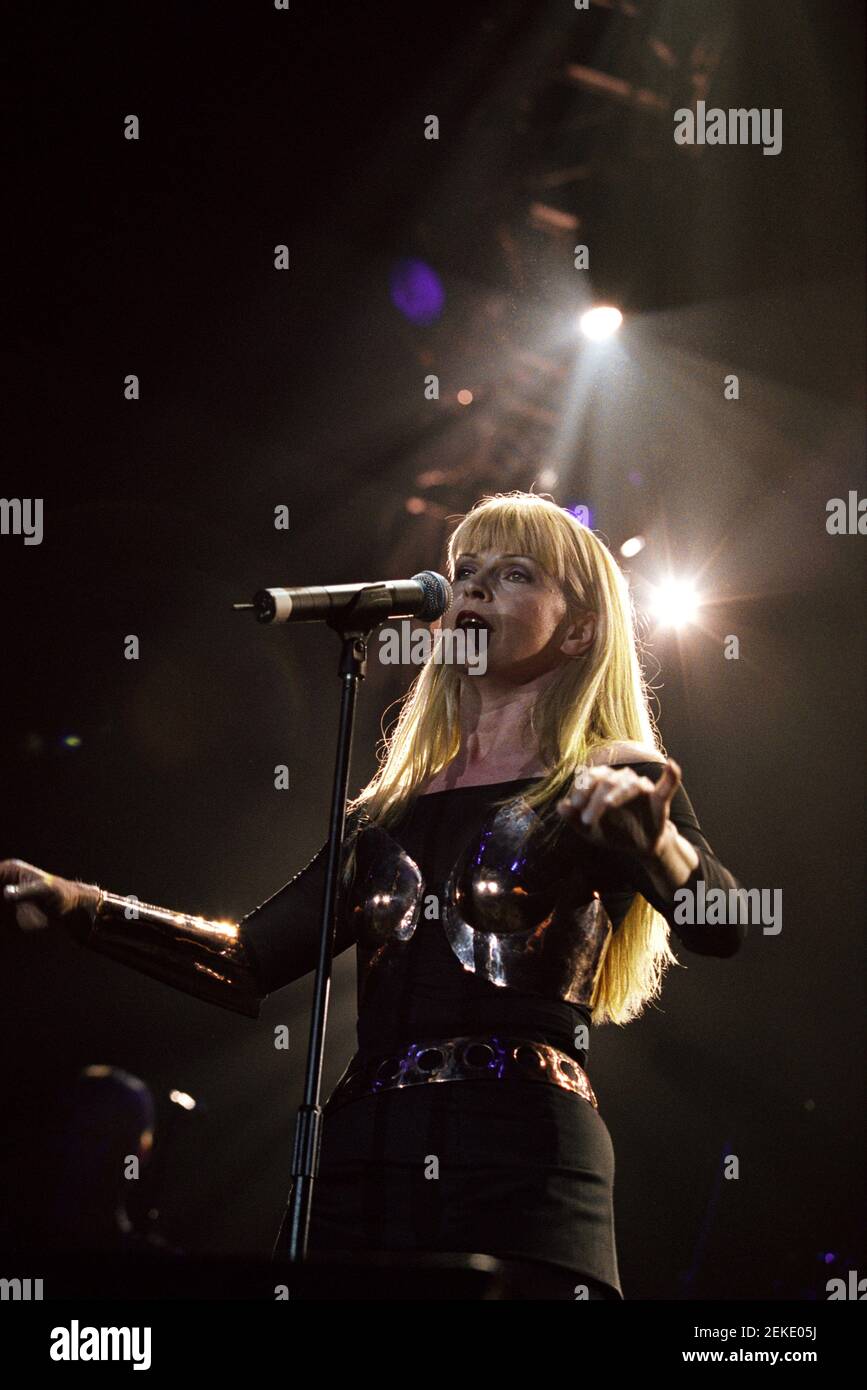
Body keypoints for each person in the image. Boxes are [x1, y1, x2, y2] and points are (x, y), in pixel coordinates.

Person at [2, 490, 745, 1300]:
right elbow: (249, 959)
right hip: (359, 1157)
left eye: (514, 573)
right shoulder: (388, 810)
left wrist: (657, 846)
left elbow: (724, 925)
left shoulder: (608, 773)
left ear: (578, 629)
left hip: (521, 1160)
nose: (472, 589)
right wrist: (82, 906)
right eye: (464, 572)